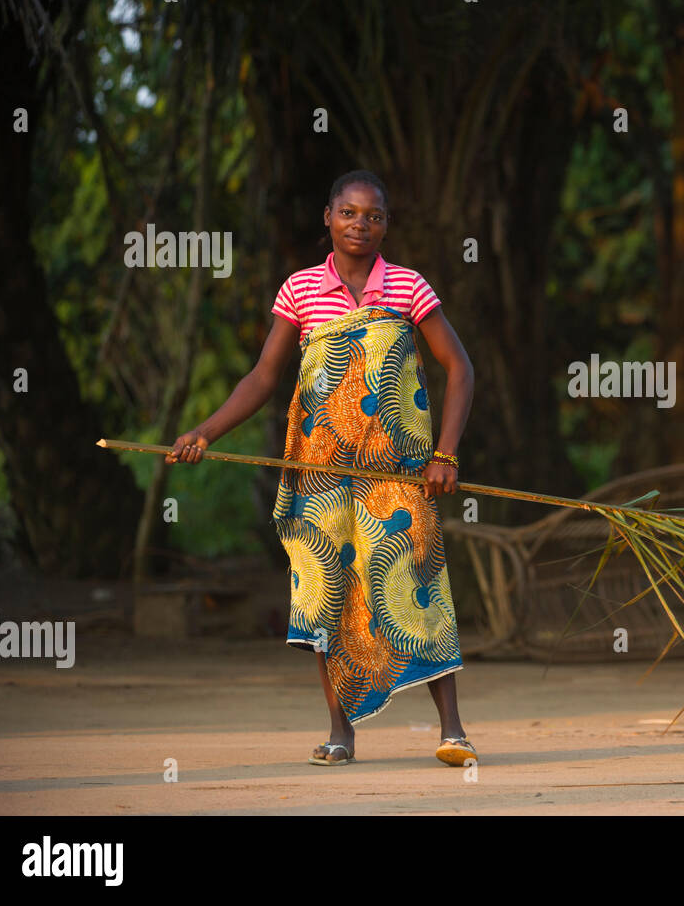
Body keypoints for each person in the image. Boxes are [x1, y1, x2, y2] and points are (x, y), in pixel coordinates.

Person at [167, 169, 477, 768]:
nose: (362, 224)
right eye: (350, 212)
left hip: (398, 474)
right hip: (320, 472)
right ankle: (340, 731)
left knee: (419, 577)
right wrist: (204, 432)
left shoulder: (409, 286)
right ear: (328, 218)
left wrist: (445, 453)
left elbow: (459, 367)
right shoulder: (301, 291)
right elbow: (264, 377)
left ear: (387, 224)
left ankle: (454, 729)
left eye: (375, 215)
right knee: (323, 589)